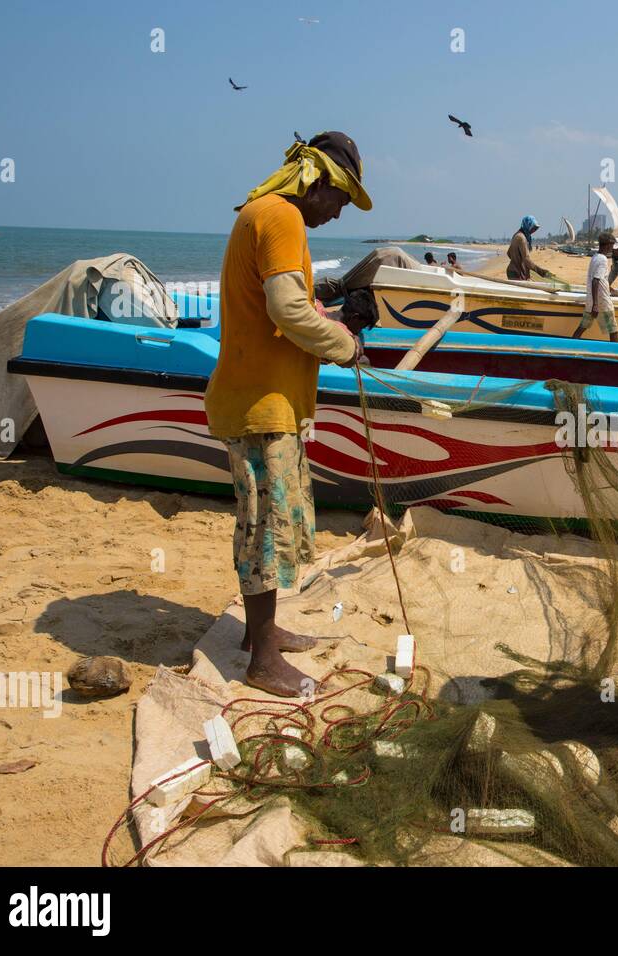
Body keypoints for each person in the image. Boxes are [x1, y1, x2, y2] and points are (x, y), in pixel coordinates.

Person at [204, 131, 372, 697]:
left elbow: (287, 301)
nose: (339, 210)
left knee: (272, 524)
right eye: (340, 197)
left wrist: (324, 313)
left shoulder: (267, 214)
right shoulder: (281, 218)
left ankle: (262, 632)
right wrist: (345, 342)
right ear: (317, 181)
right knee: (265, 533)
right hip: (259, 404)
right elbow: (287, 307)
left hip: (268, 399)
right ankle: (263, 662)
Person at [572, 231, 618, 342]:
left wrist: (609, 289)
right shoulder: (603, 259)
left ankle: (571, 346)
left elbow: (599, 279)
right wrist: (596, 305)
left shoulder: (595, 257)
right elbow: (595, 281)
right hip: (602, 302)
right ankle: (615, 354)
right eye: (612, 246)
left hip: (591, 300)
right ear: (607, 245)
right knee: (613, 330)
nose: (612, 249)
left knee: (582, 327)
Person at [506, 214, 555, 280]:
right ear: (527, 225)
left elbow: (509, 253)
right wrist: (541, 272)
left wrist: (518, 261)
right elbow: (526, 259)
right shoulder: (522, 238)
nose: (533, 231)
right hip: (516, 273)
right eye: (533, 228)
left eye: (535, 229)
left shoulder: (517, 235)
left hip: (513, 271)